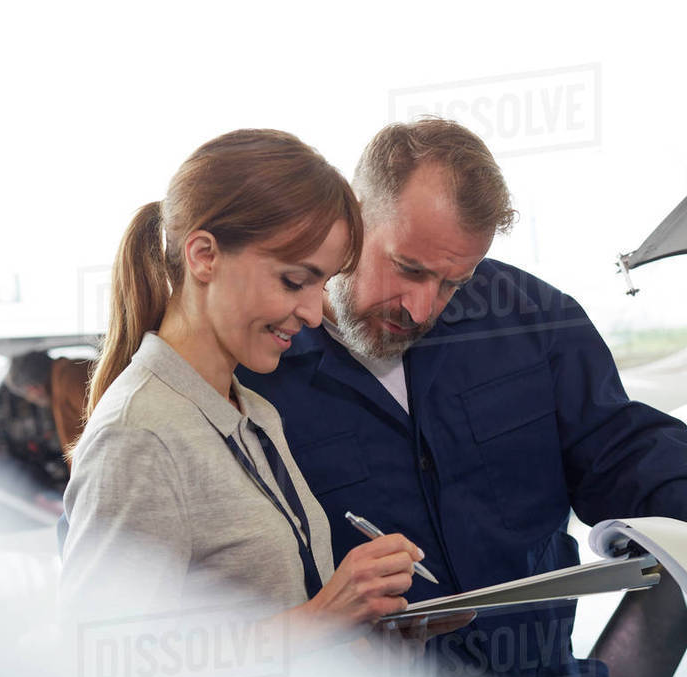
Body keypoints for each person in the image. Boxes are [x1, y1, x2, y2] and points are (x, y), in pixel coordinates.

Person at [238, 118, 687, 677]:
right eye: (409, 269)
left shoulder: (533, 322)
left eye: (452, 283)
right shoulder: (261, 363)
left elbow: (618, 448)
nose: (422, 308)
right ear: (354, 219)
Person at [59, 129, 428, 643]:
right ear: (204, 256)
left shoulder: (253, 410)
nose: (312, 314)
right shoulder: (140, 435)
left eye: (321, 285)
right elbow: (104, 670)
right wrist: (321, 618)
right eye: (294, 281)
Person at [5, 350, 92, 460]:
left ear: (34, 390)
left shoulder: (69, 381)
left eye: (28, 396)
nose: (31, 400)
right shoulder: (69, 371)